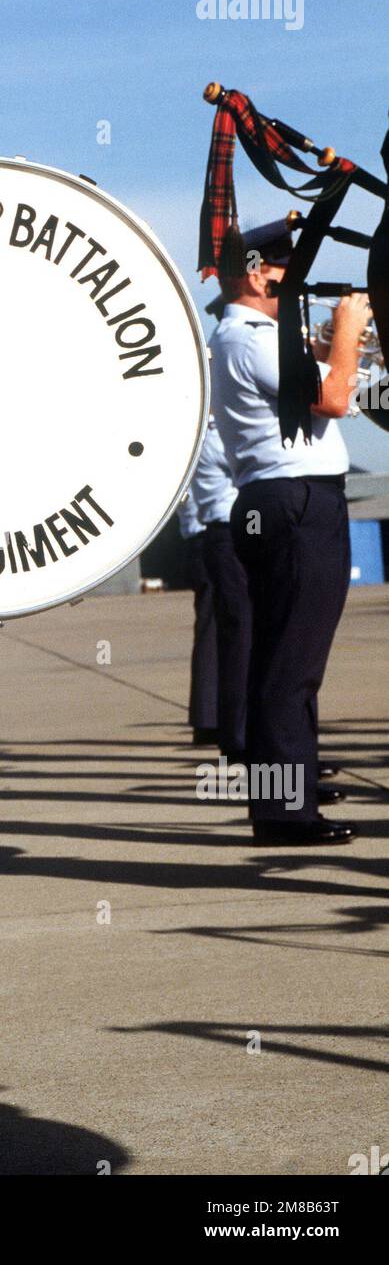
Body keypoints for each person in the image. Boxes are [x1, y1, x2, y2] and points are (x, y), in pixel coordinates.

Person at [208, 220, 364, 846]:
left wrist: (336, 341)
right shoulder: (247, 337)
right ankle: (282, 813)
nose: (293, 282)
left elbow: (320, 373)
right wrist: (349, 332)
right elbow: (331, 400)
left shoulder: (252, 335)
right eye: (283, 270)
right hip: (296, 501)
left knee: (286, 659)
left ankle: (288, 793)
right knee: (291, 665)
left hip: (285, 499)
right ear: (255, 273)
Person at [189, 415, 249, 763]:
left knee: (230, 634)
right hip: (226, 533)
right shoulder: (212, 437)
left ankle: (224, 724)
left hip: (224, 534)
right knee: (237, 635)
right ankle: (232, 730)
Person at [175, 493, 218, 747]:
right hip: (209, 533)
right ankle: (209, 720)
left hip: (198, 540)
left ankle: (208, 719)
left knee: (210, 632)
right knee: (214, 633)